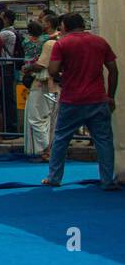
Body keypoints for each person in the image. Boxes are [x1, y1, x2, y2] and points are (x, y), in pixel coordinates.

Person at [44, 13, 118, 190]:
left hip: (72, 99)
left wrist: (61, 75)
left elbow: (53, 69)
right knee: (104, 141)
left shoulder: (62, 43)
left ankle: (54, 177)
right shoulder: (100, 42)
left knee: (61, 138)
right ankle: (107, 180)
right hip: (97, 98)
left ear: (65, 26)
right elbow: (113, 70)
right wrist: (111, 96)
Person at [24, 18, 58, 161]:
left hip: (42, 84)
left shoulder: (49, 43)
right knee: (50, 117)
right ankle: (49, 150)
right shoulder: (55, 40)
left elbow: (41, 65)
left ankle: (44, 149)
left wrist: (27, 68)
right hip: (55, 87)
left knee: (36, 116)